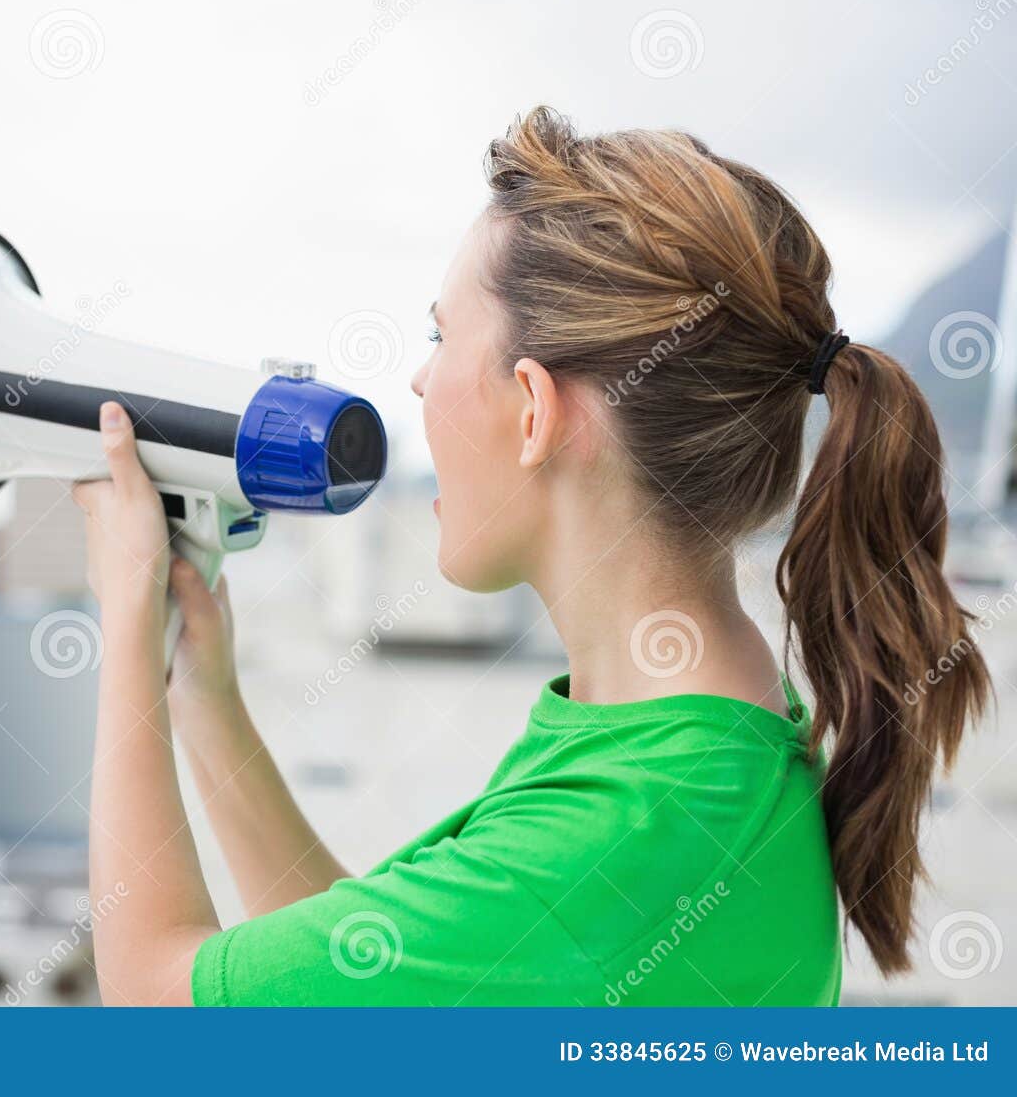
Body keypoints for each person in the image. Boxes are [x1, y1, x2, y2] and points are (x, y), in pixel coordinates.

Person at [69, 106, 990, 1006]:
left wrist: (124, 621)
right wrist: (205, 700)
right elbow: (390, 985)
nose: (421, 378)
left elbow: (154, 998)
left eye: (440, 335)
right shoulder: (693, 746)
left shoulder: (630, 829)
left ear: (535, 411)